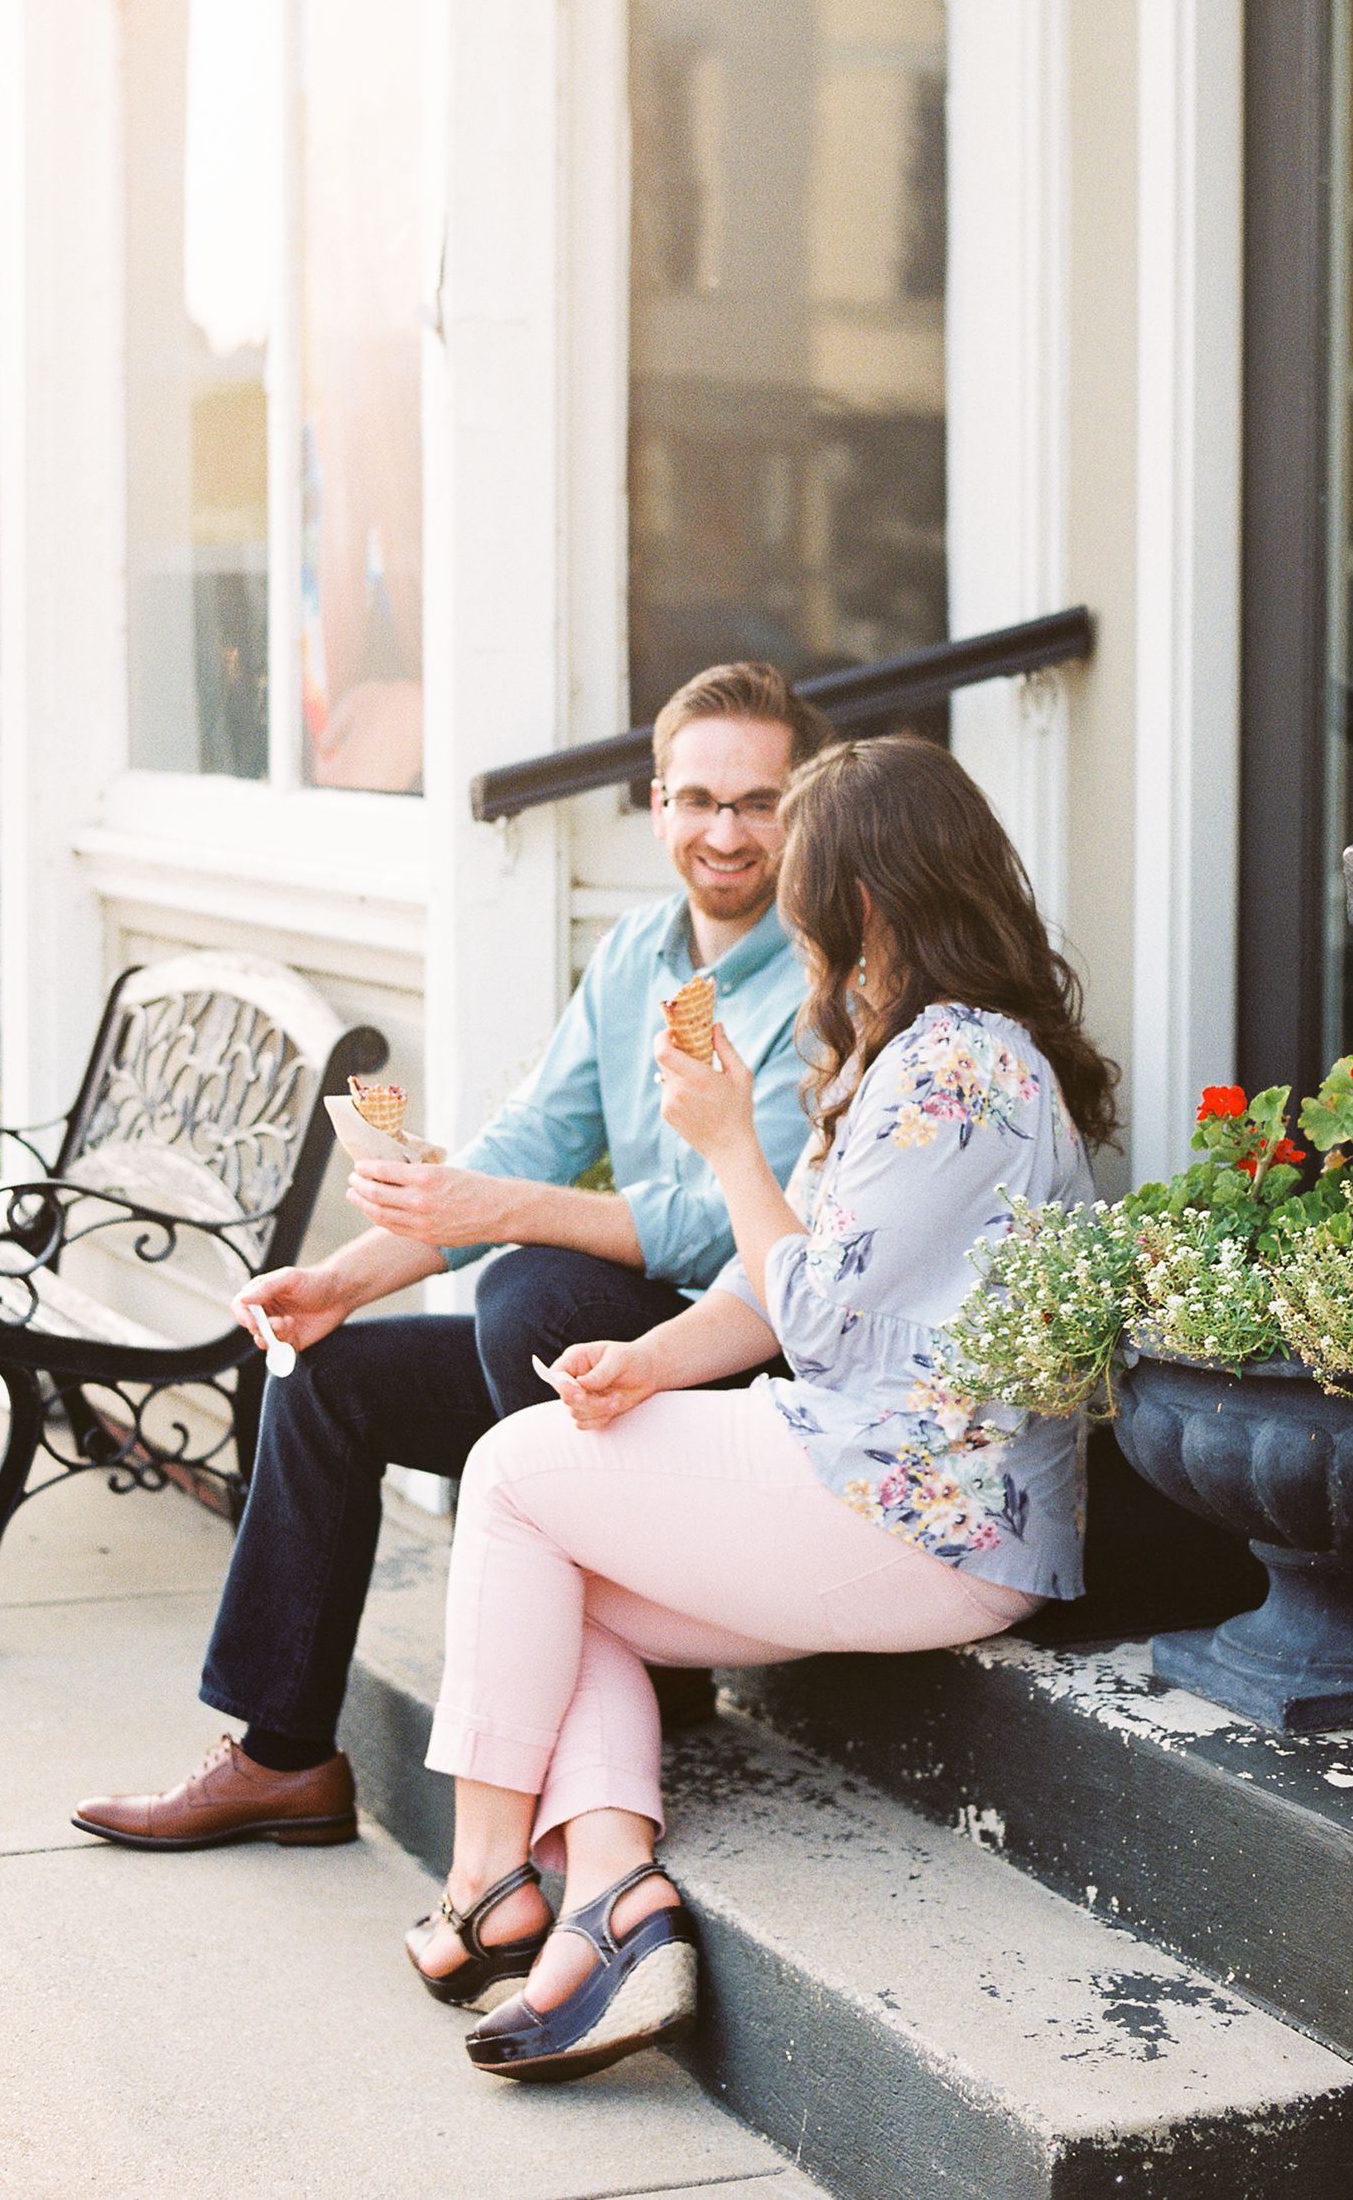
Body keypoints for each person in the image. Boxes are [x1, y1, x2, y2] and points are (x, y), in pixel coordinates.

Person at [403, 734, 1119, 2084]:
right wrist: (649, 1363)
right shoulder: (910, 1052)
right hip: (886, 1483)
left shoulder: (961, 1067)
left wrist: (734, 1140)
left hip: (923, 1506)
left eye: (798, 883)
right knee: (568, 1575)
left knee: (508, 1470)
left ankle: (486, 1875)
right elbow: (773, 1282)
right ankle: (612, 1897)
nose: (782, 913)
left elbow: (820, 1311)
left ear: (860, 897)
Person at [73, 660, 827, 1855]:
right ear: (654, 804)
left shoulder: (823, 977)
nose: (722, 832)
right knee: (330, 1379)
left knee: (532, 1289)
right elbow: (526, 1141)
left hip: (747, 1379)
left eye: (756, 801)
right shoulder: (637, 953)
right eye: (697, 799)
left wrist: (509, 1209)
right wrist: (341, 1282)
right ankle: (282, 1757)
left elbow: (731, 1226)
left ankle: (646, 1624)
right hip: (613, 1382)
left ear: (807, 807)